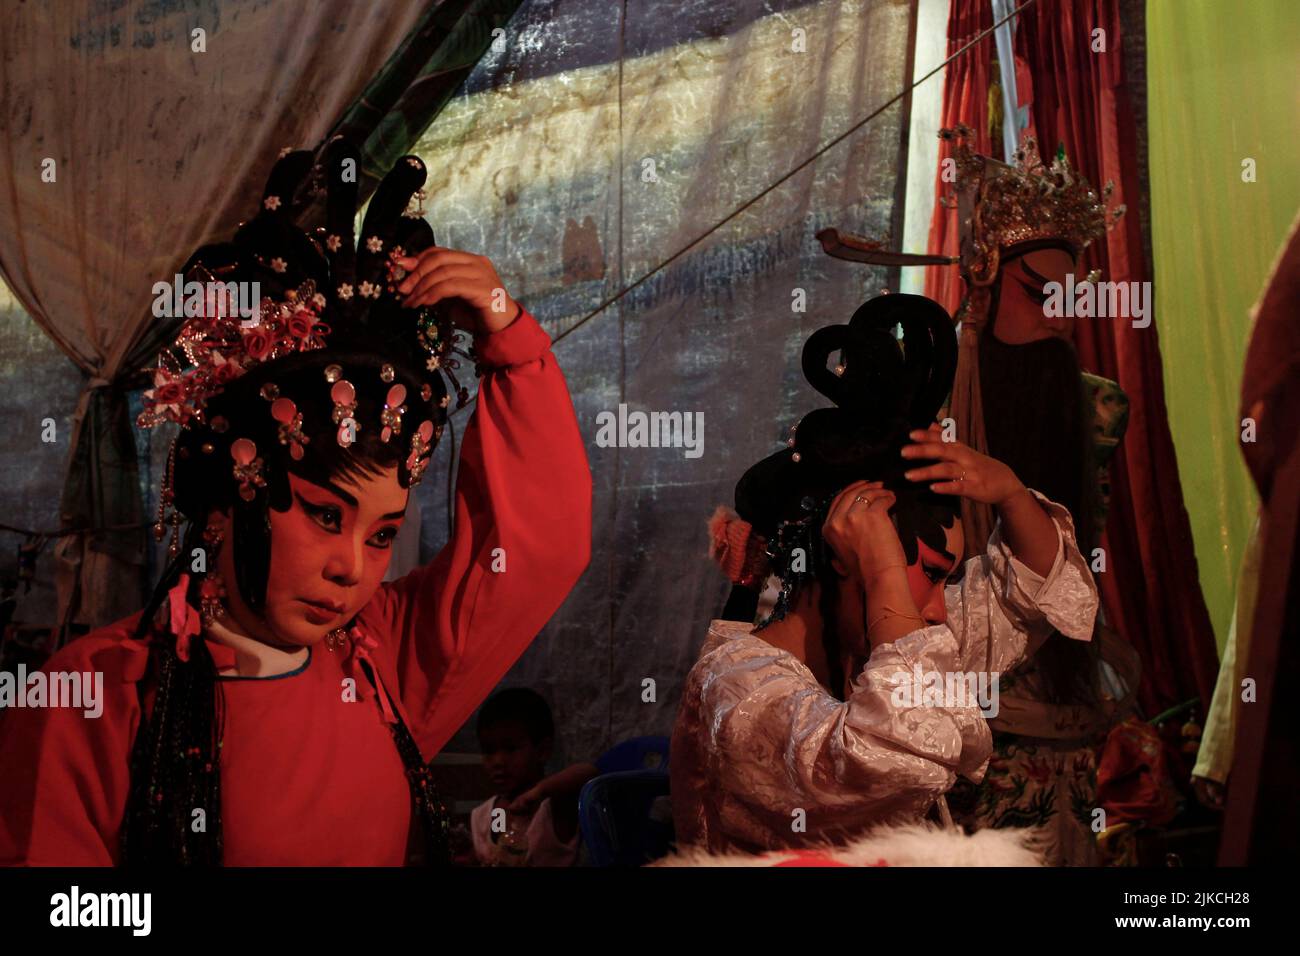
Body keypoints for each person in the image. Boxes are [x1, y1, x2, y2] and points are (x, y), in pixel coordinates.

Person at [0, 140, 592, 866]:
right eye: (324, 515)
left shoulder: (379, 663)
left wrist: (513, 340)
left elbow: (537, 549)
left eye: (382, 537)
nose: (353, 569)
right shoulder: (93, 696)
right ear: (228, 497)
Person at [676, 293, 1098, 854]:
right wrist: (881, 569)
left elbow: (1033, 592)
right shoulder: (738, 688)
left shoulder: (883, 650)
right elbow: (899, 750)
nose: (938, 612)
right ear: (850, 553)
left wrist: (1011, 494)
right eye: (933, 575)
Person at [469, 688, 598, 866]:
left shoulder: (552, 808)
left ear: (542, 751)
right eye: (488, 751)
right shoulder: (481, 816)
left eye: (511, 749)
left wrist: (540, 791)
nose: (498, 761)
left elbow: (589, 772)